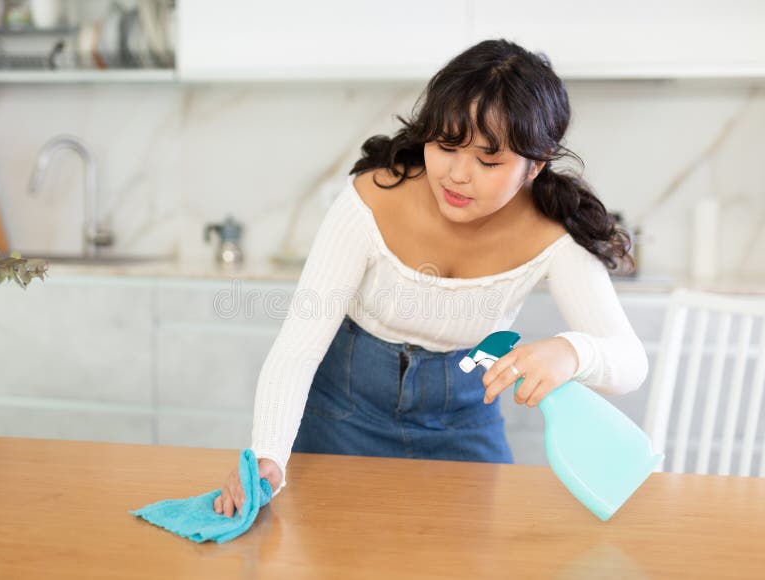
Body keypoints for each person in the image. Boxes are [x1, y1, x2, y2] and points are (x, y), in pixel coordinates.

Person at [214, 38, 648, 517]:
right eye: (445, 145)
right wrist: (270, 455)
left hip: (463, 422)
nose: (457, 175)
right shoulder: (373, 198)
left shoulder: (550, 235)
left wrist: (571, 352)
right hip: (342, 413)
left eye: (488, 160)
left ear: (535, 166)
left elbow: (629, 362)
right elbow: (298, 346)